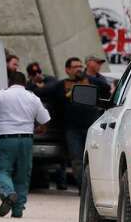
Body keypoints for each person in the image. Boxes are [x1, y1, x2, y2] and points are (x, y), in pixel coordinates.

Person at [0, 70, 51, 218]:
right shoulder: (33, 97)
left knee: (1, 171)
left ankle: (8, 193)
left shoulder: (2, 95)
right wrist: (40, 128)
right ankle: (18, 210)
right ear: (25, 83)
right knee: (22, 175)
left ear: (9, 82)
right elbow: (45, 119)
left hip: (6, 138)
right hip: (26, 139)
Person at [40, 56, 98, 188]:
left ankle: (93, 188)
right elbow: (42, 93)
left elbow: (108, 90)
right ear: (67, 70)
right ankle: (84, 188)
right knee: (77, 160)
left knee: (93, 160)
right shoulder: (60, 86)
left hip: (92, 128)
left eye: (80, 66)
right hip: (72, 129)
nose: (79, 69)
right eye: (75, 67)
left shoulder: (93, 82)